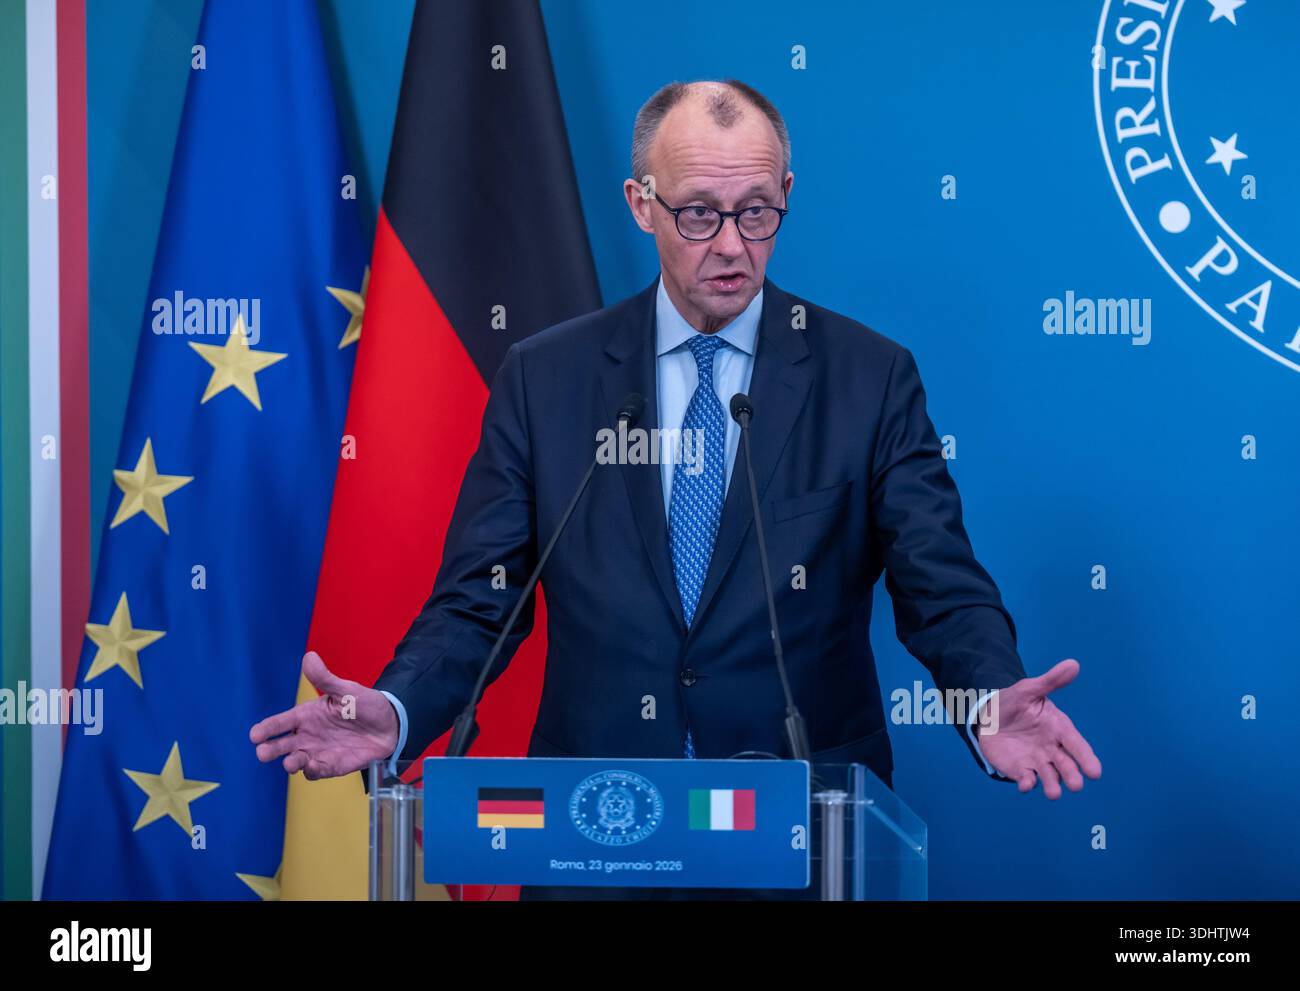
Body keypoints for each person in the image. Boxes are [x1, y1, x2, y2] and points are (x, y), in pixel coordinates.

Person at [251, 81, 1101, 894]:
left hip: (801, 840)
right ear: (640, 203)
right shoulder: (547, 379)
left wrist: (985, 695)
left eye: (758, 211)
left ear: (786, 195)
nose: (732, 244)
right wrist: (398, 710)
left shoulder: (867, 378)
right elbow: (483, 600)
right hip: (593, 838)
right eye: (698, 212)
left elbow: (940, 586)